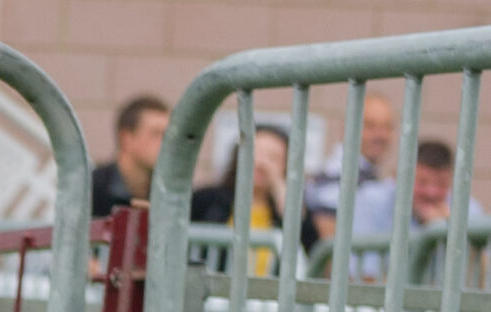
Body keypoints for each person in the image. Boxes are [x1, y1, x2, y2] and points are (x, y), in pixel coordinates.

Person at [346, 139, 488, 281]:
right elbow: (362, 277)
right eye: (422, 182)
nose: (431, 192)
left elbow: (481, 281)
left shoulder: (467, 210)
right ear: (400, 178)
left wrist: (452, 230)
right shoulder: (371, 200)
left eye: (441, 184)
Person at [189, 121, 317, 275]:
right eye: (255, 153)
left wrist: (281, 189)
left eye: (273, 158)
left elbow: (309, 251)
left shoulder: (287, 208)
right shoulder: (206, 199)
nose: (261, 163)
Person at [307, 90, 398, 241]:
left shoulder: (367, 174)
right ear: (346, 128)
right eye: (369, 126)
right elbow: (330, 244)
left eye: (387, 127)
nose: (380, 135)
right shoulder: (337, 175)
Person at [90, 95, 165, 218]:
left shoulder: (166, 194)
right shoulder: (92, 190)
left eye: (168, 135)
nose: (165, 143)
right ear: (126, 138)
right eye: (155, 134)